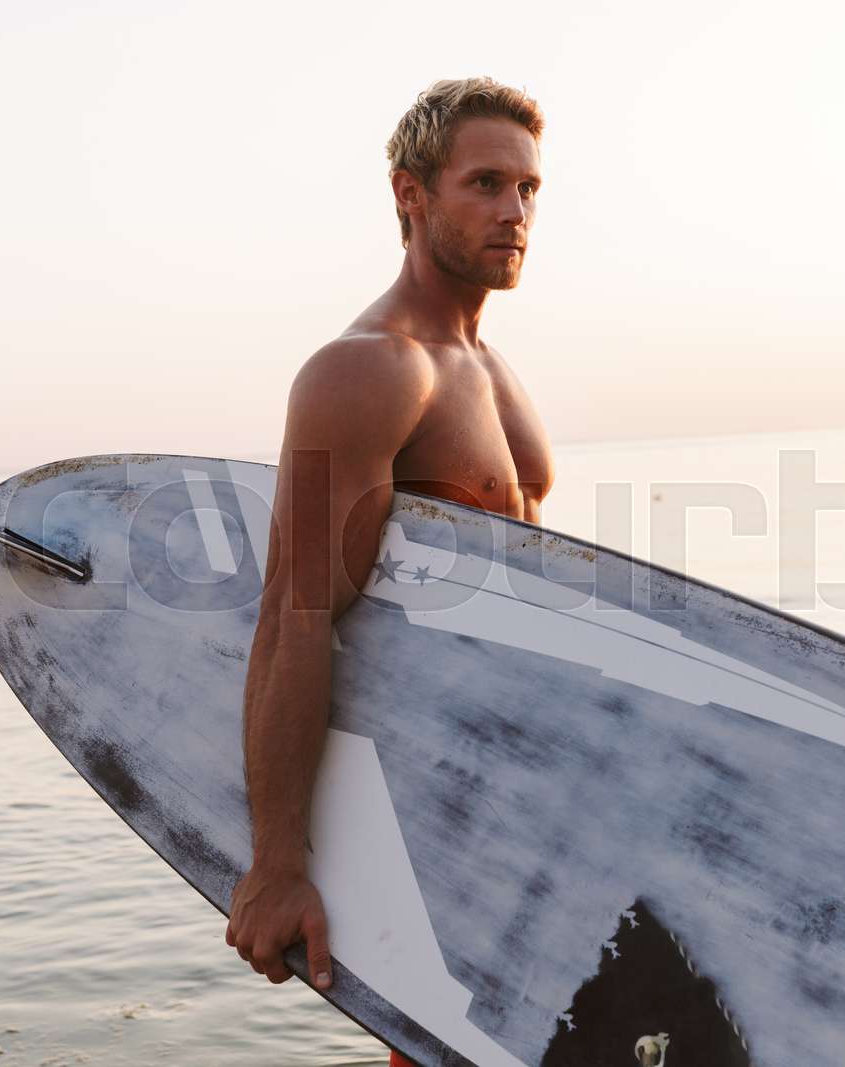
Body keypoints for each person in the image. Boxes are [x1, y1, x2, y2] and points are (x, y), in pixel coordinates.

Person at [223, 77, 553, 1067]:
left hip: (518, 806)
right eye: (485, 183)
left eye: (530, 189)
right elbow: (295, 614)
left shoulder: (490, 371)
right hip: (424, 820)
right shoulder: (369, 369)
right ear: (411, 194)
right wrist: (278, 861)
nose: (514, 211)